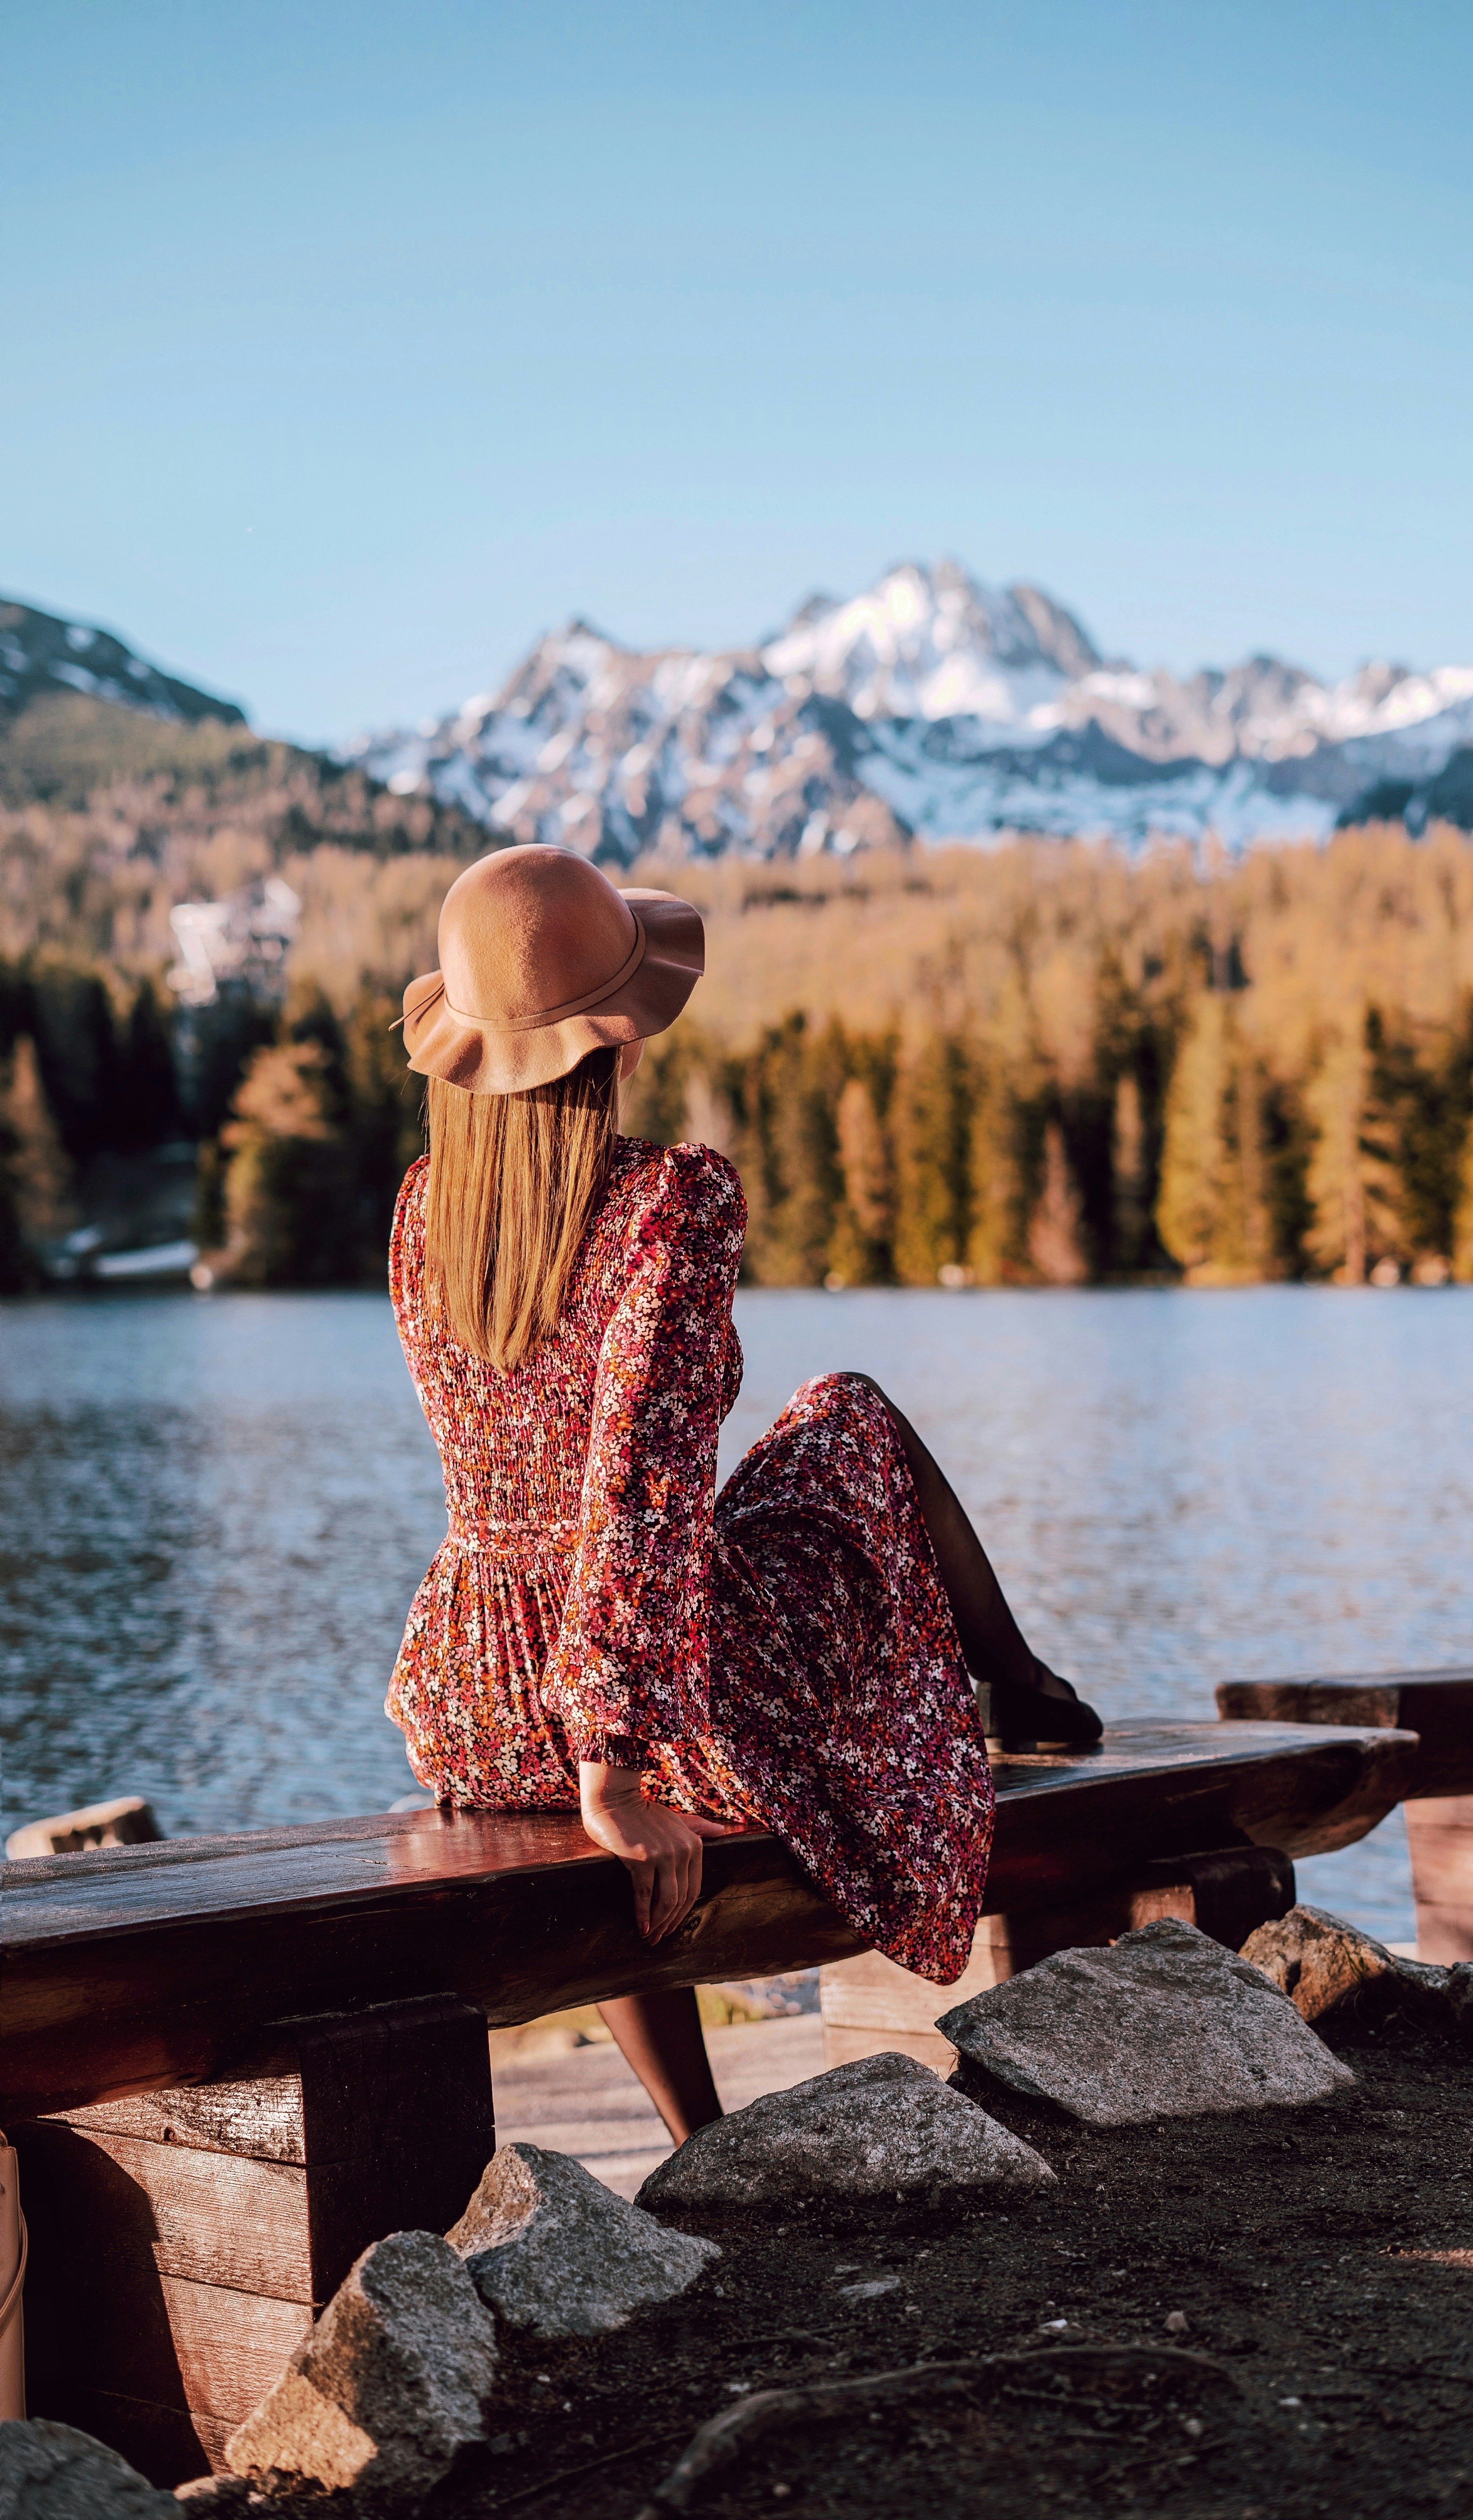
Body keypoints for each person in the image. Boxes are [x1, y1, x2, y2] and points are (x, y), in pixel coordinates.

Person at [386, 844, 1101, 2142]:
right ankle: (1025, 1686)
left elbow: (587, 1506)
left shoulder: (426, 1208)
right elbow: (638, 1496)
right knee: (849, 1416)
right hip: (655, 1701)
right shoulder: (670, 1201)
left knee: (751, 1500)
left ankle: (697, 2135)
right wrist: (611, 1763)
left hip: (475, 1698)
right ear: (617, 1041)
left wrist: (572, 1739)